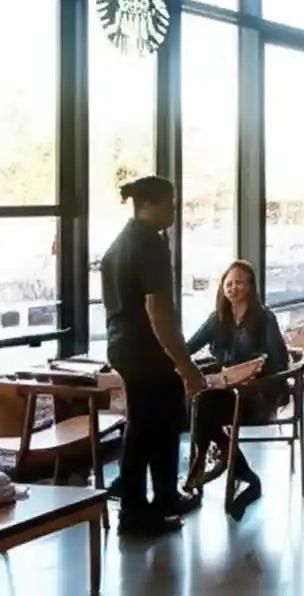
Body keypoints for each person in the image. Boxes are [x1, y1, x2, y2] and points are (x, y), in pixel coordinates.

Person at [101, 175, 206, 537]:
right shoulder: (149, 245)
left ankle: (163, 499)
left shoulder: (120, 244)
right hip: (148, 351)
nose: (173, 211)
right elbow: (157, 311)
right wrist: (186, 365)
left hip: (124, 347)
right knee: (149, 430)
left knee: (152, 425)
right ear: (149, 204)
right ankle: (135, 511)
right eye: (170, 204)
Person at [182, 261, 291, 519]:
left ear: (251, 286)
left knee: (203, 407)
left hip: (256, 397)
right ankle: (245, 475)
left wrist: (254, 374)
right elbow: (188, 347)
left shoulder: (264, 318)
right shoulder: (218, 318)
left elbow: (279, 362)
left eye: (239, 282)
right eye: (228, 283)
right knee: (197, 400)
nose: (233, 288)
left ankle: (211, 464)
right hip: (227, 394)